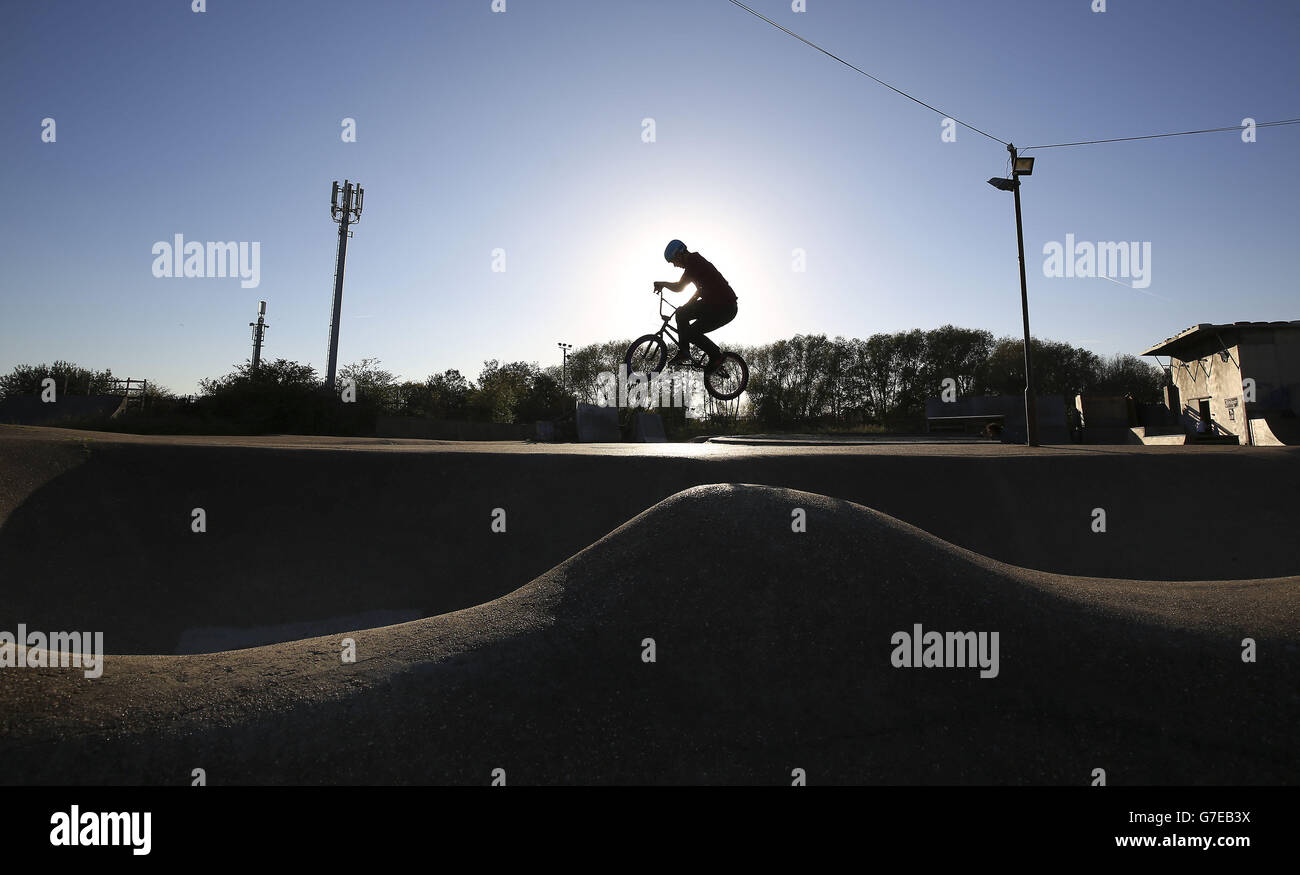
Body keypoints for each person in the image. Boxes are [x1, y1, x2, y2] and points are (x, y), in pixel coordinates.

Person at [654, 239, 738, 372]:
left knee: (690, 331)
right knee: (682, 313)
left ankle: (715, 356)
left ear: (679, 254)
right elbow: (700, 291)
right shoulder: (694, 264)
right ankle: (684, 351)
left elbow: (679, 287)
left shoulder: (694, 262)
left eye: (673, 261)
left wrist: (662, 283)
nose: (675, 265)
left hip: (724, 306)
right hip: (716, 304)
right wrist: (686, 307)